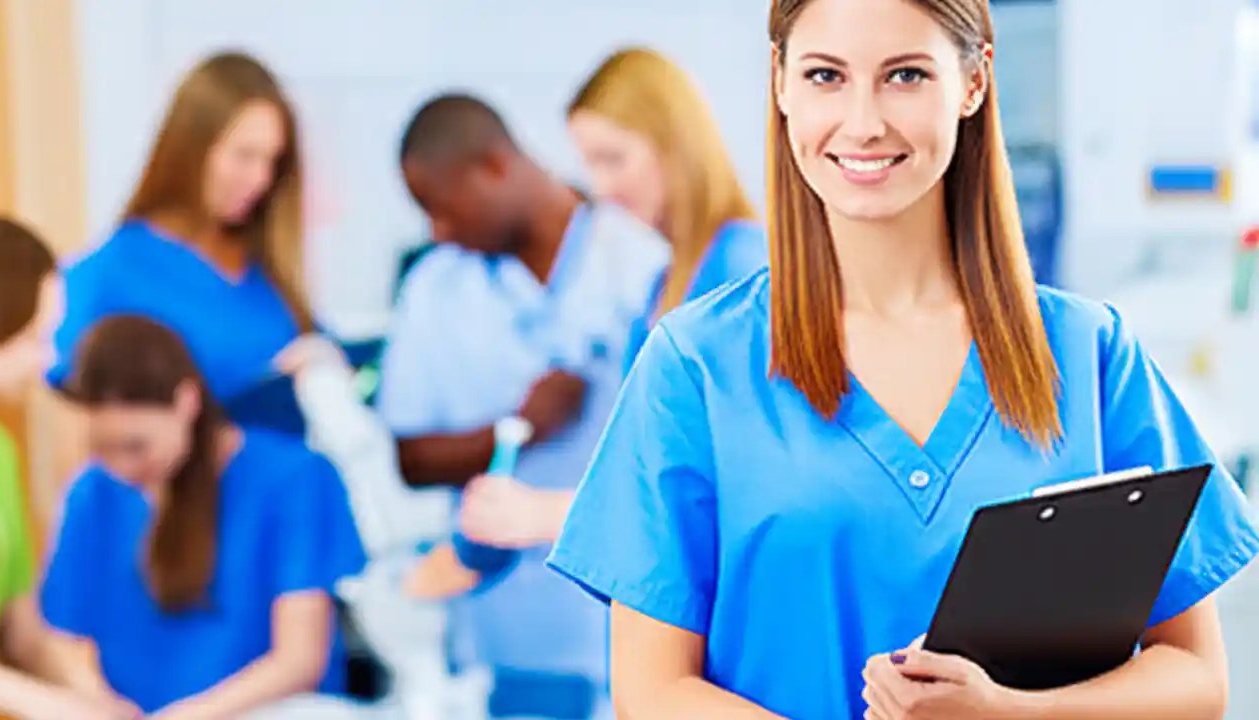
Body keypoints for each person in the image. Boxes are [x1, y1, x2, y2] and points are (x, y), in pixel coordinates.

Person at [546, 0, 1259, 718]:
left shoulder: (1089, 352)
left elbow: (1197, 679)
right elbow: (652, 691)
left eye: (906, 75)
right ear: (781, 82)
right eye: (826, 75)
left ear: (974, 82)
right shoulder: (695, 367)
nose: (863, 122)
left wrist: (1009, 714)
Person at [378, 94, 666, 718]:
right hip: (493, 636)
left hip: (622, 627)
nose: (438, 231)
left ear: (494, 167)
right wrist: (521, 429)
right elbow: (411, 458)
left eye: (442, 207)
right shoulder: (436, 287)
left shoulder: (642, 262)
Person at [41, 315, 367, 717]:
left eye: (136, 446)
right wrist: (97, 700)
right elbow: (65, 636)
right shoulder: (93, 492)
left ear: (187, 401)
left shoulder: (293, 479)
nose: (121, 468)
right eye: (102, 448)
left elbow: (300, 658)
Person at [49, 51, 328, 440]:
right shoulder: (109, 273)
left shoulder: (265, 272)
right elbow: (61, 391)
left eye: (272, 161)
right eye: (244, 156)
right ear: (193, 149)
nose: (260, 179)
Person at [0, 216, 139, 719]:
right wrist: (48, 705)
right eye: (34, 338)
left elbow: (21, 631)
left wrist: (89, 694)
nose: (46, 360)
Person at [567, 46, 767, 370]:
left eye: (613, 159)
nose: (601, 189)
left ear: (673, 145)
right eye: (591, 165)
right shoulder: (662, 284)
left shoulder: (744, 267)